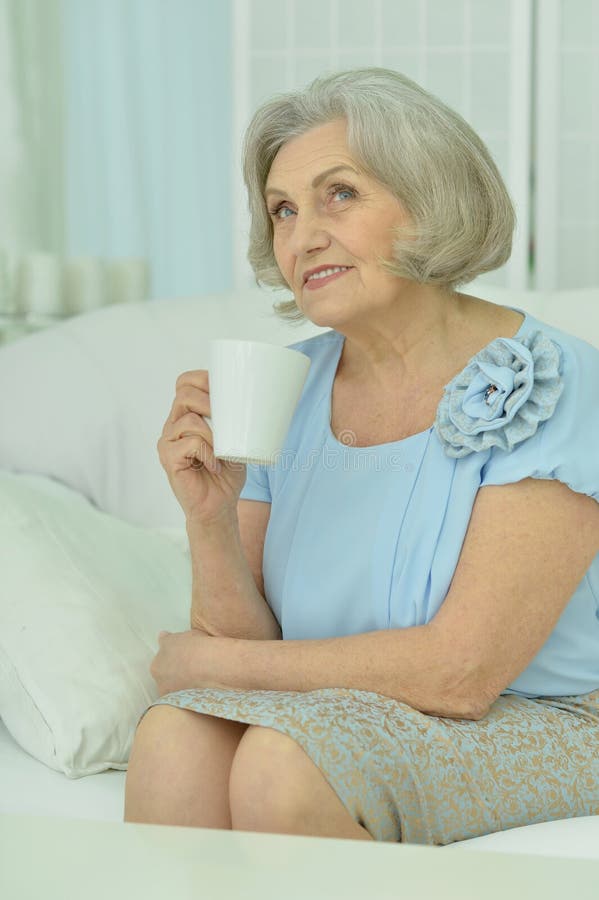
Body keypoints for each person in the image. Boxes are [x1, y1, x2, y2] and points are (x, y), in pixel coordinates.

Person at [124, 67, 599, 844]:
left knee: (281, 761)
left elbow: (463, 672)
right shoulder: (288, 383)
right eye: (281, 210)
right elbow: (244, 643)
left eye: (337, 194)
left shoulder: (547, 375)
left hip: (540, 717)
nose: (301, 235)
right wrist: (207, 515)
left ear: (428, 196)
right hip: (338, 710)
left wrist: (208, 667)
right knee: (175, 737)